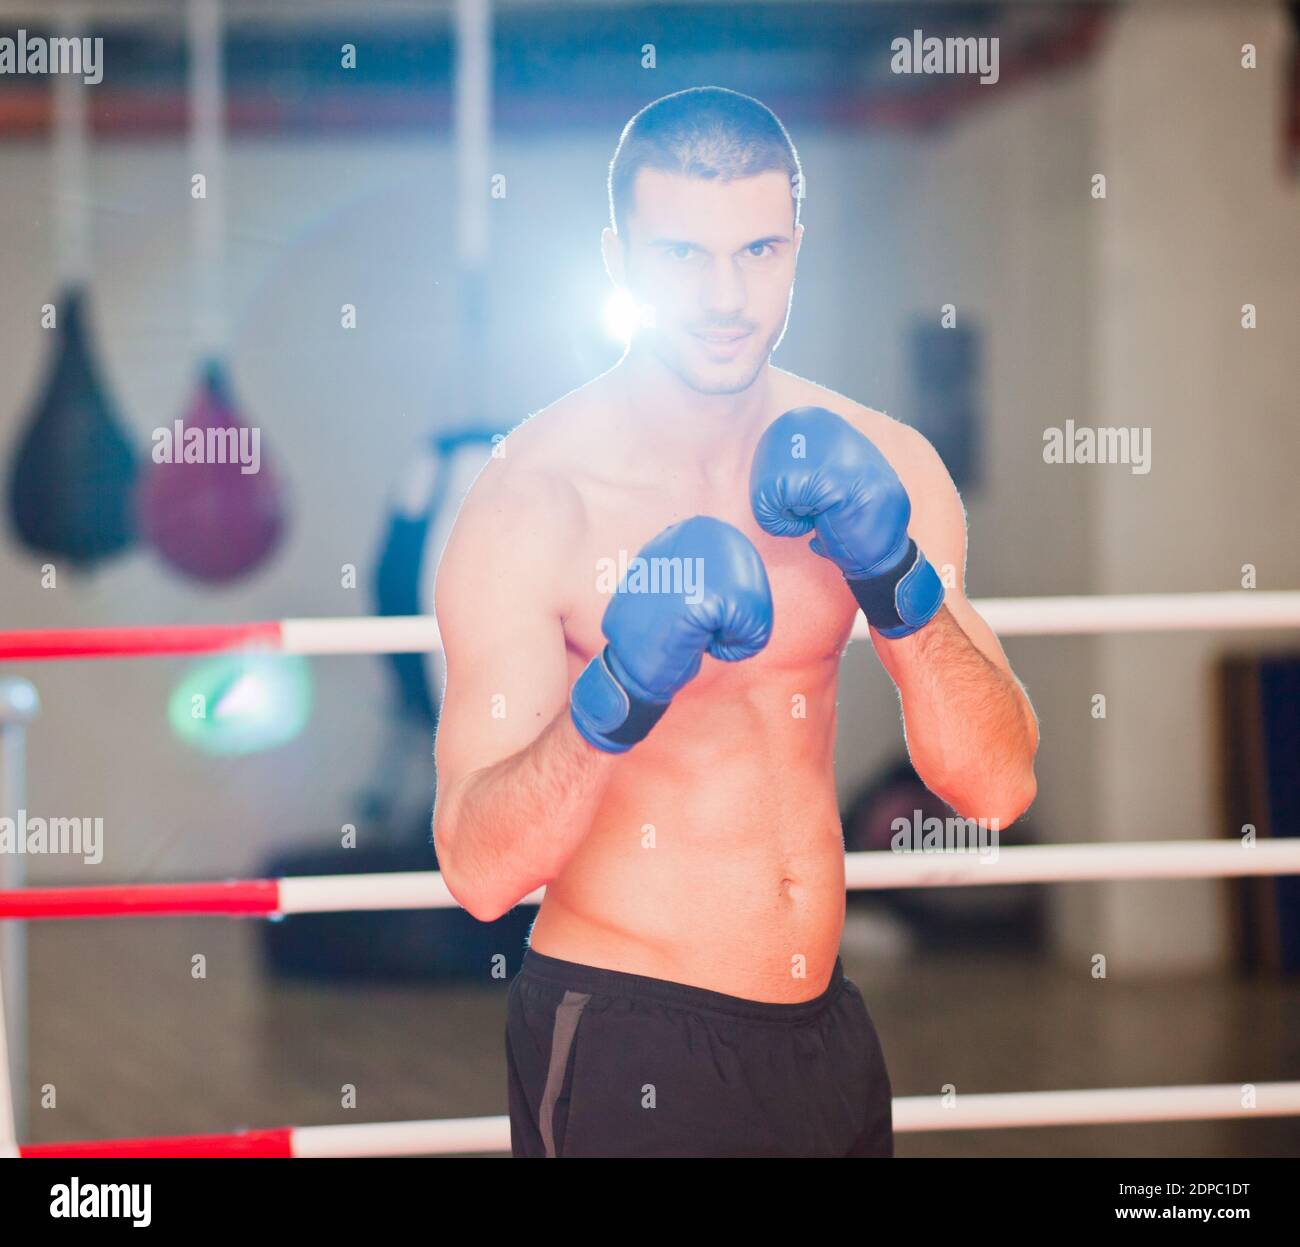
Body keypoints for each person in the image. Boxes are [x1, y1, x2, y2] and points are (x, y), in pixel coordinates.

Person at [432, 86, 1039, 1158]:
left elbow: (994, 782)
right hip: (626, 1033)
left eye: (758, 250)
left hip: (824, 1036)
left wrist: (891, 571)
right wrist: (620, 689)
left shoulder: (885, 461)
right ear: (617, 260)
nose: (724, 295)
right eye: (681, 256)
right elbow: (479, 871)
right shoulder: (537, 499)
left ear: (798, 245)